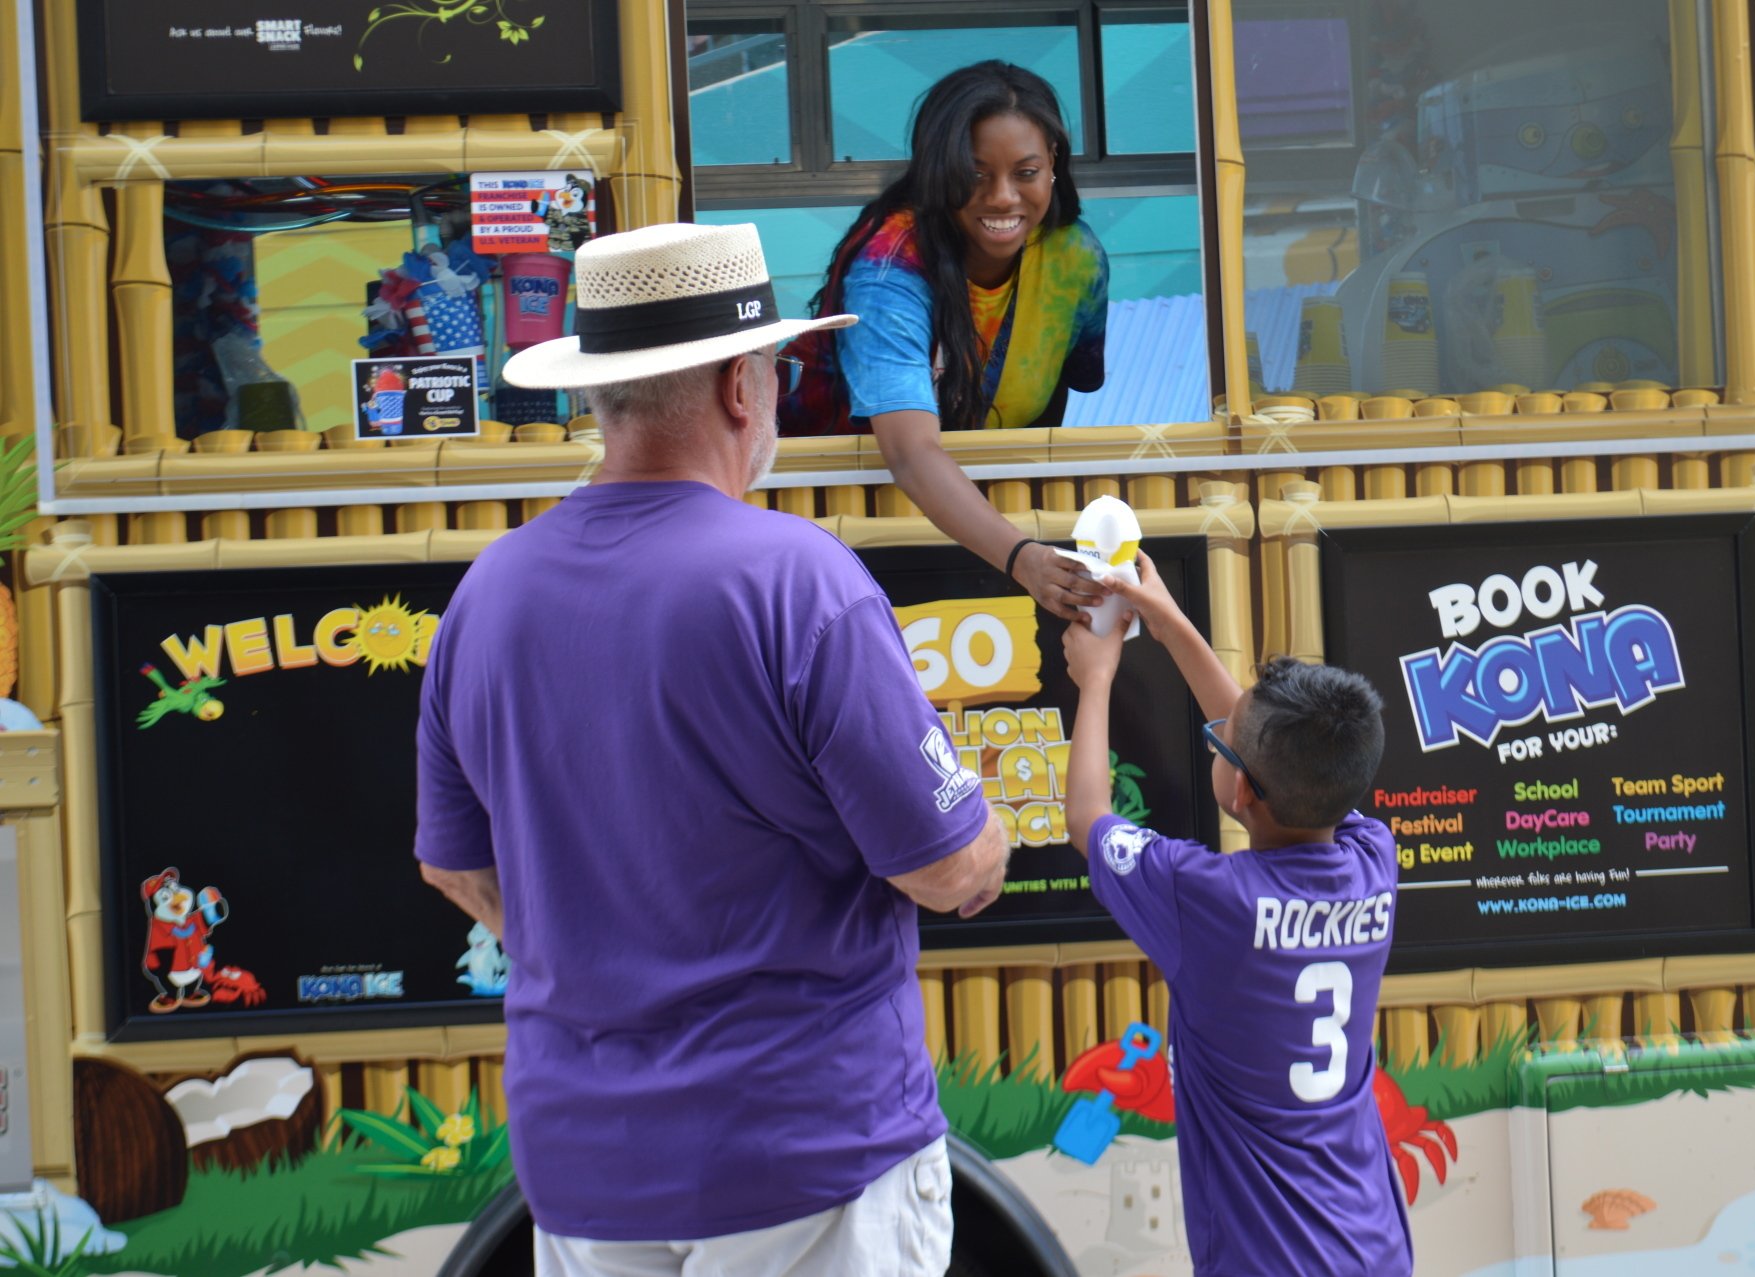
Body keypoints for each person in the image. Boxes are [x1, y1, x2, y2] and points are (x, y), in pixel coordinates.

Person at [414, 222, 1010, 1276]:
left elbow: (455, 865)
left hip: (586, 1165)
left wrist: (603, 944)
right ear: (744, 386)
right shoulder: (797, 582)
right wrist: (986, 829)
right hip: (806, 1149)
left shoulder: (487, 595)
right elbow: (946, 864)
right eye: (777, 373)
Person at [1059, 554, 1413, 1277]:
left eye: (1221, 740)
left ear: (1242, 791)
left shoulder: (1210, 900)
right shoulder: (1373, 859)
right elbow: (1279, 761)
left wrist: (1095, 679)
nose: (1219, 729)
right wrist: (1170, 622)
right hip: (1374, 1247)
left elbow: (1088, 817)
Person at [778, 60, 1110, 627]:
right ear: (939, 170)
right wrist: (1022, 557)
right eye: (975, 174)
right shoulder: (889, 267)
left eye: (1025, 172)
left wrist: (1027, 546)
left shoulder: (1076, 258)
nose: (1003, 197)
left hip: (985, 534)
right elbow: (908, 452)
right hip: (831, 536)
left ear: (1054, 162)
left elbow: (1050, 418)